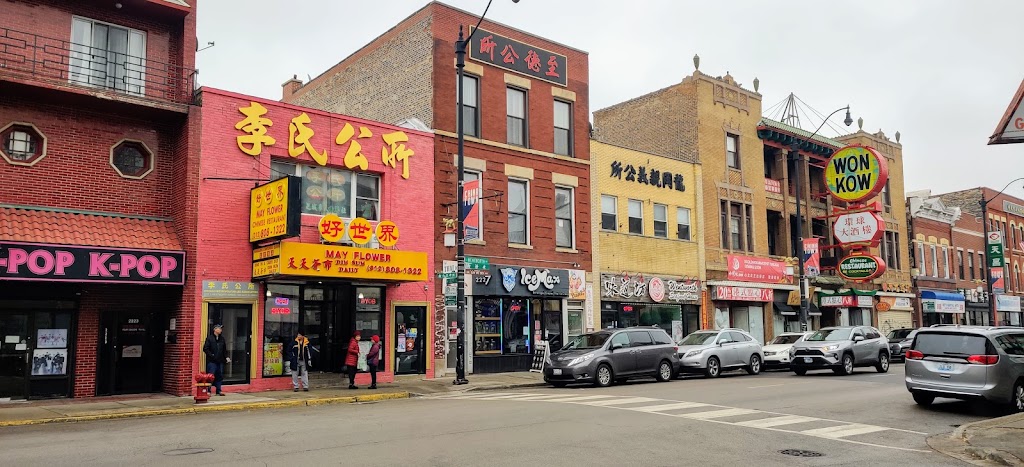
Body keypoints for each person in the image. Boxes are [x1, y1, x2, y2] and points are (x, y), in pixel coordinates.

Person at [203, 324, 229, 396]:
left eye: (221, 329)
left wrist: (226, 357)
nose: (221, 330)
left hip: (220, 360)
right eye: (219, 329)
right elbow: (205, 348)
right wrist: (212, 355)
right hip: (212, 361)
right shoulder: (210, 338)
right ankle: (208, 390)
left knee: (219, 375)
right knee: (210, 376)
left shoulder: (222, 339)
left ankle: (219, 390)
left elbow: (224, 349)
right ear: (215, 329)